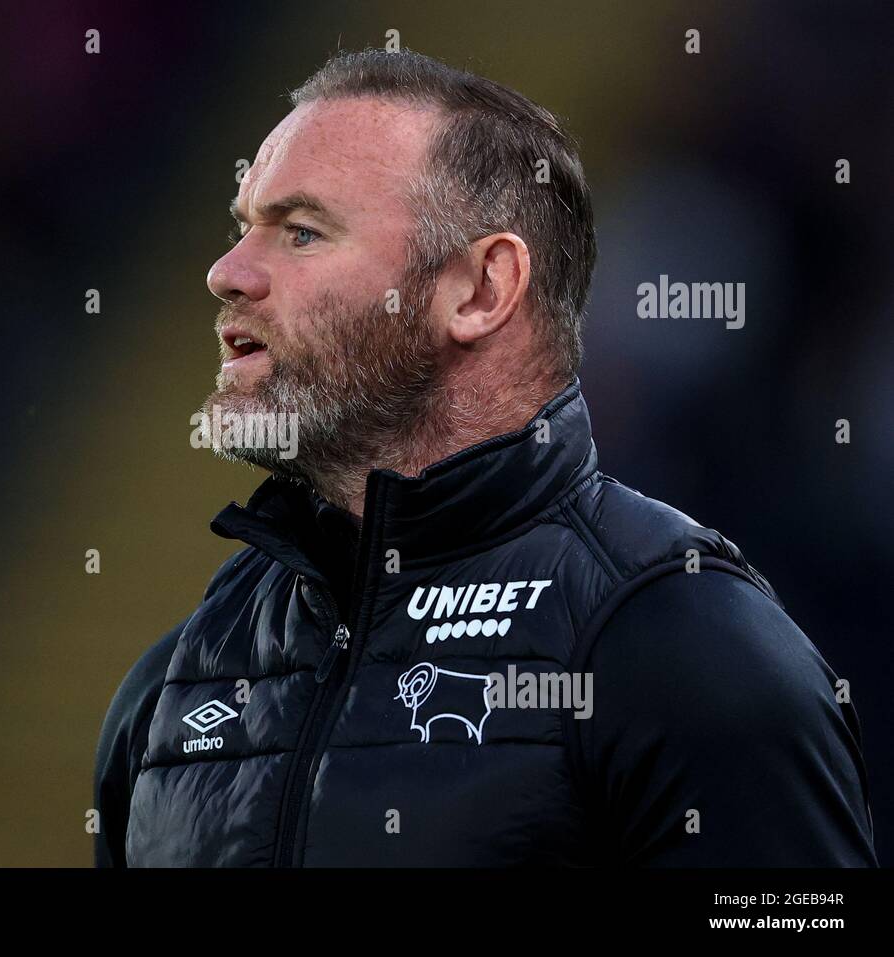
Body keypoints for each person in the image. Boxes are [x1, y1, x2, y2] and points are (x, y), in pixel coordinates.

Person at [94, 48, 877, 867]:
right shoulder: (177, 686)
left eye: (301, 231)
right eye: (240, 226)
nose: (227, 273)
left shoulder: (684, 645)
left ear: (480, 289)